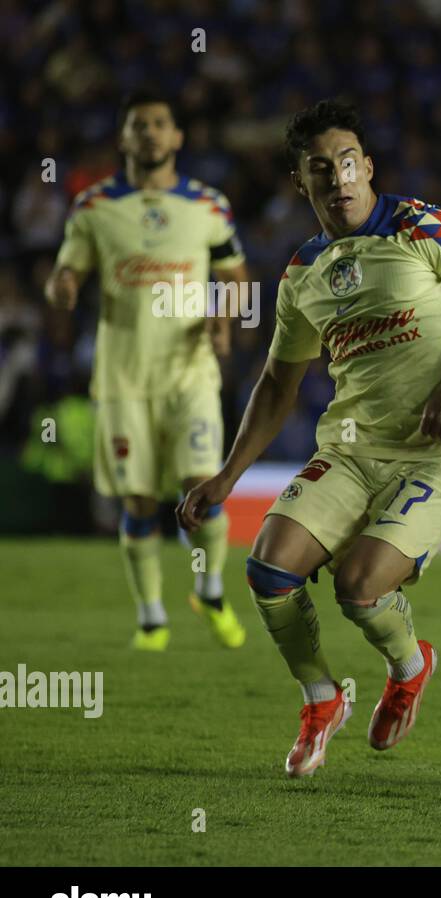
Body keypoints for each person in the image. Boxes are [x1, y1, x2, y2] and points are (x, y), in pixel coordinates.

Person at [178, 99, 441, 777]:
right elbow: (278, 386)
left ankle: (408, 664)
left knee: (358, 587)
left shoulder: (423, 226)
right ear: (299, 181)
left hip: (436, 451)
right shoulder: (302, 273)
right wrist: (225, 476)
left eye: (347, 162)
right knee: (269, 568)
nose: (338, 178)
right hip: (348, 451)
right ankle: (320, 699)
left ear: (367, 166)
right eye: (320, 168)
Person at [45, 90, 249, 652]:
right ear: (123, 138)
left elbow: (234, 275)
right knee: (136, 500)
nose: (151, 133)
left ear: (178, 137)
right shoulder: (93, 206)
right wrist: (61, 287)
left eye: (161, 124)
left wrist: (223, 319)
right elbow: (65, 270)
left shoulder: (209, 205)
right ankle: (152, 618)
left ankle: (208, 590)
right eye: (139, 125)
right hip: (122, 378)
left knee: (202, 487)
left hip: (190, 372)